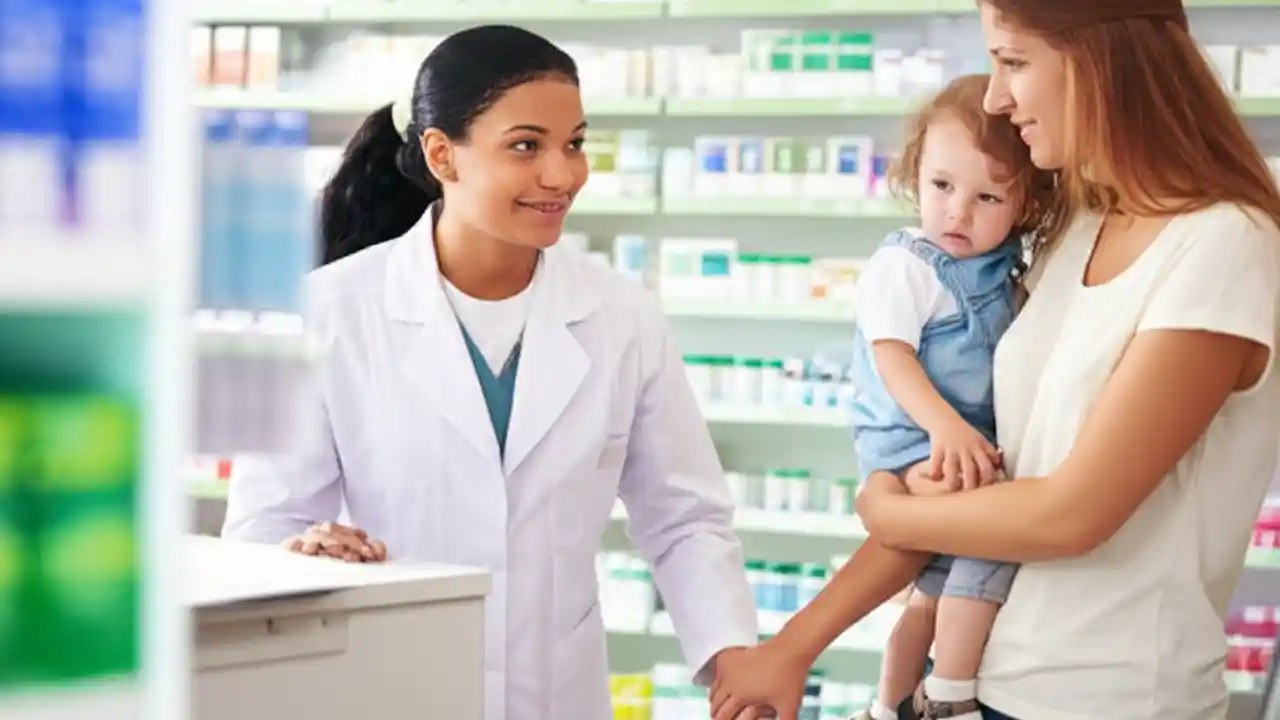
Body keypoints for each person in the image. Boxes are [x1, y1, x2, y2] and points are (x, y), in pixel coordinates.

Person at [709, 1, 1280, 718]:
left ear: (1101, 59)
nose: (995, 98)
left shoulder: (1223, 244)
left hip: (1110, 700)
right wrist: (793, 647)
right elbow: (986, 494)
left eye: (1013, 62)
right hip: (978, 682)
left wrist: (890, 512)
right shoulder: (1077, 228)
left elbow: (1068, 516)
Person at [219, 25, 760, 720]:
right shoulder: (329, 314)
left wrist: (731, 656)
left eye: (574, 144)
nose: (562, 175)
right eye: (526, 146)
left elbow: (685, 519)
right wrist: (305, 554)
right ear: (442, 154)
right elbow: (265, 526)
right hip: (391, 688)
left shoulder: (622, 316)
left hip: (556, 695)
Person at [844, 74, 1057, 720]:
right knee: (991, 540)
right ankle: (951, 694)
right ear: (914, 173)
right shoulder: (906, 265)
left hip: (955, 438)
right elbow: (891, 356)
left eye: (987, 196)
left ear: (1024, 204)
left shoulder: (1003, 263)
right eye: (941, 186)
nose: (958, 213)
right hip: (913, 437)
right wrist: (944, 428)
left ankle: (888, 706)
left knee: (929, 595)